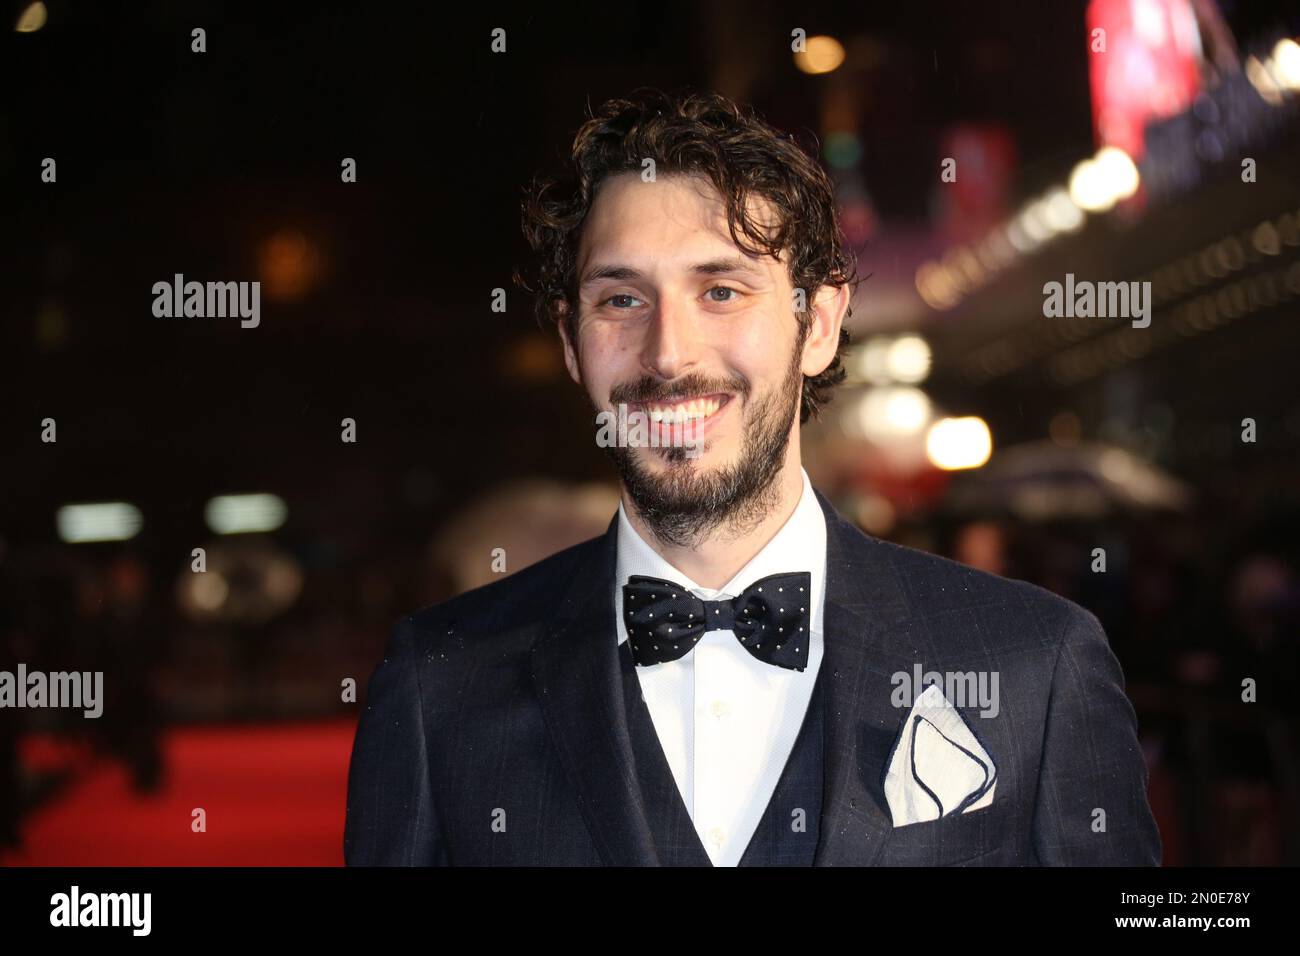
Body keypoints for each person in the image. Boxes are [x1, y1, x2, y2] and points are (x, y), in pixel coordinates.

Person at [343, 88, 1162, 866]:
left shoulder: (1036, 664)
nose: (669, 355)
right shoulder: (437, 686)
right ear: (570, 344)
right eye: (621, 300)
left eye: (723, 290)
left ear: (821, 325)